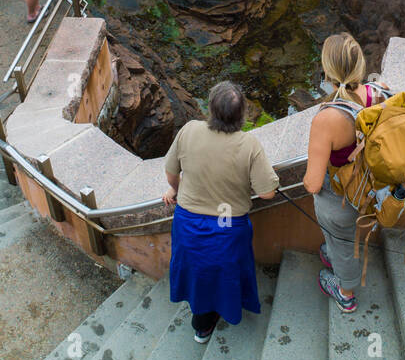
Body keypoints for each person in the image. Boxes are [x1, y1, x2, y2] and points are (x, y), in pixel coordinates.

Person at [163, 81, 279, 343]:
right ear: (241, 115)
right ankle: (224, 311)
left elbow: (171, 174)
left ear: (211, 110)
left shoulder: (189, 130)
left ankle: (202, 325)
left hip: (188, 221)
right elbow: (267, 193)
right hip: (227, 224)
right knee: (226, 272)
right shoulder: (249, 144)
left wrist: (176, 190)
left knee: (196, 270)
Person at [302, 32, 383, 312]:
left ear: (327, 71)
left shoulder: (327, 119)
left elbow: (313, 184)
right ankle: (335, 252)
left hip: (343, 200)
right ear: (360, 64)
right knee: (345, 238)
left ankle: (345, 292)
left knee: (344, 243)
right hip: (373, 188)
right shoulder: (379, 92)